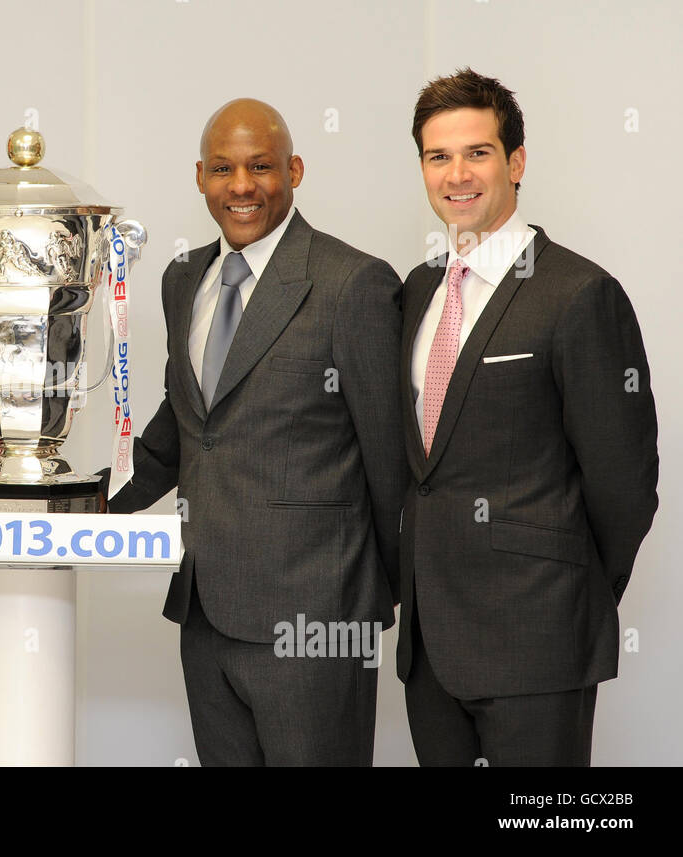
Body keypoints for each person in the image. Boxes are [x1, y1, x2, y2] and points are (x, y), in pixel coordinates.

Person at [107, 99, 404, 765]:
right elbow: (183, 431)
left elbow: (391, 465)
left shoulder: (352, 284)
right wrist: (74, 505)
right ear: (199, 177)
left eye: (261, 166)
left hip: (317, 619)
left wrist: (380, 599)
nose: (240, 185)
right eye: (222, 169)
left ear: (294, 169)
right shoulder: (184, 279)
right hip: (205, 612)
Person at [397, 68, 658, 766]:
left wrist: (566, 592)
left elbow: (625, 486)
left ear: (515, 161)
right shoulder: (419, 290)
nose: (457, 173)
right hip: (430, 649)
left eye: (477, 152)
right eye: (438, 155)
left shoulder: (579, 295)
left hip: (539, 642)